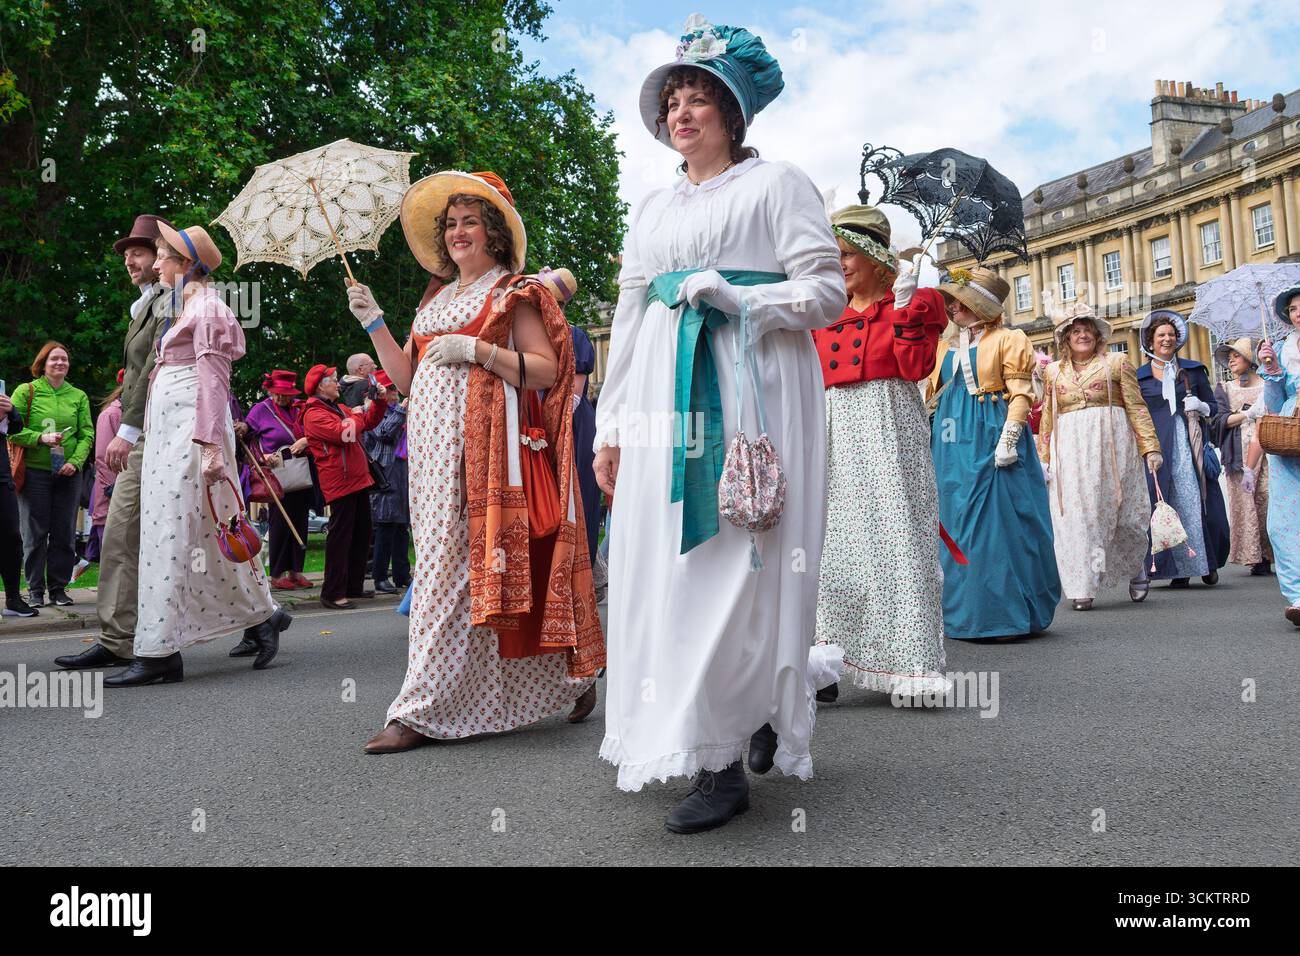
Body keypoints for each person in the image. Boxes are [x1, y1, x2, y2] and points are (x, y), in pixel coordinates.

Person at [593, 16, 845, 833]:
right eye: (673, 99)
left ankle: (733, 744)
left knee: (747, 561)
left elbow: (827, 294)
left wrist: (747, 300)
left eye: (699, 97)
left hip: (751, 387)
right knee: (674, 563)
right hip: (667, 398)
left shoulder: (779, 186)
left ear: (733, 112)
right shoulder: (651, 208)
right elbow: (629, 318)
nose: (682, 111)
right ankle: (716, 737)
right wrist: (611, 425)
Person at [346, 168, 603, 754]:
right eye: (452, 223)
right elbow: (408, 379)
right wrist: (375, 323)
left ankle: (415, 709)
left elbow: (546, 370)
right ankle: (570, 679)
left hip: (490, 449)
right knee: (456, 566)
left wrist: (480, 350)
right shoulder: (436, 296)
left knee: (447, 570)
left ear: (494, 233)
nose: (459, 232)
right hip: (431, 450)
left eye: (471, 222)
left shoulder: (515, 292)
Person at [104, 224, 290, 687]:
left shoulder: (209, 309)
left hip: (191, 434)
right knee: (204, 529)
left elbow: (212, 382)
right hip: (172, 434)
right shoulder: (185, 306)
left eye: (164, 256)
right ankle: (262, 616)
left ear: (186, 265)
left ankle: (159, 651)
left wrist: (209, 447)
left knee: (173, 532)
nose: (158, 262)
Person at [812, 204, 948, 691]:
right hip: (831, 429)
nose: (840, 264)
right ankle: (827, 660)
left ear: (874, 258)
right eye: (835, 255)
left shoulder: (913, 303)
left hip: (889, 426)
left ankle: (909, 662)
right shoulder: (822, 312)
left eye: (847, 254)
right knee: (832, 542)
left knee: (896, 536)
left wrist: (908, 312)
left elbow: (915, 370)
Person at [57, 214, 172, 669]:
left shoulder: (171, 300)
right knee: (128, 536)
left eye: (139, 252)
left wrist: (127, 429)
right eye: (126, 255)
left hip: (158, 434)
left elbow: (151, 370)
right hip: (149, 434)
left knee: (179, 534)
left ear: (162, 256)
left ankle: (259, 615)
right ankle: (117, 638)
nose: (130, 260)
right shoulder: (144, 305)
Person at [926, 266, 1060, 640]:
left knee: (997, 524)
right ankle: (964, 613)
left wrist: (1010, 437)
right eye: (952, 302)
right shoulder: (945, 346)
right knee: (956, 520)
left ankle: (1002, 613)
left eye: (961, 302)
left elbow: (1021, 393)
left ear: (980, 305)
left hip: (991, 432)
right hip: (951, 442)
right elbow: (930, 394)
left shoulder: (1009, 338)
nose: (954, 308)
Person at [1037, 304, 1162, 609]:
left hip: (1112, 446)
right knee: (1076, 518)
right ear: (1066, 338)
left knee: (1123, 515)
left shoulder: (1117, 363)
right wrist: (1043, 458)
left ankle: (1136, 567)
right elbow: (1047, 418)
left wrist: (1150, 447)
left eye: (1087, 330)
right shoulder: (1052, 372)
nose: (1082, 335)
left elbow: (1136, 407)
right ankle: (1082, 583)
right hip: (1069, 449)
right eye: (1075, 331)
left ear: (1096, 335)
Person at [1136, 309, 1231, 588]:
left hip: (1190, 444)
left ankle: (1206, 562)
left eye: (1171, 335)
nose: (1167, 339)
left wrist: (1200, 406)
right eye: (1160, 335)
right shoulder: (1138, 376)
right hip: (1157, 447)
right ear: (1150, 342)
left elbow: (1213, 408)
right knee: (1165, 502)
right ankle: (1176, 568)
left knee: (1198, 501)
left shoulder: (1192, 371)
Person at [9, 342, 93, 609]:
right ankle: (35, 590)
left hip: (68, 474)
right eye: (54, 359)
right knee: (35, 533)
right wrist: (40, 438)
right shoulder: (27, 391)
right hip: (35, 473)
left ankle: (58, 588)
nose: (60, 363)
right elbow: (10, 429)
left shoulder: (78, 395)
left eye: (64, 359)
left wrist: (75, 462)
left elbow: (86, 434)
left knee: (64, 534)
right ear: (43, 363)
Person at [302, 363, 388, 609]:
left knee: (362, 533)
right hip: (340, 481)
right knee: (341, 537)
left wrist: (379, 403)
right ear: (321, 386)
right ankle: (332, 593)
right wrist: (359, 413)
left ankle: (352, 586)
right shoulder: (314, 414)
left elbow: (367, 423)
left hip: (356, 478)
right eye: (334, 380)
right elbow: (346, 433)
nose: (338, 384)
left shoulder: (337, 408)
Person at [537, 266, 602, 561]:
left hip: (570, 423)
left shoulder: (573, 335)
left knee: (576, 493)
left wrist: (546, 421)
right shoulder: (535, 336)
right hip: (541, 421)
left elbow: (573, 395)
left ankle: (581, 568)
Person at [243, 369, 313, 591]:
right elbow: (247, 441)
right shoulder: (260, 411)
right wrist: (261, 458)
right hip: (277, 473)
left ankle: (296, 572)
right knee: (280, 523)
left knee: (301, 520)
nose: (281, 398)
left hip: (301, 470)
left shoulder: (300, 408)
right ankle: (276, 574)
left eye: (286, 394)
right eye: (277, 393)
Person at [1209, 338, 1272, 576]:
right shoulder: (1225, 388)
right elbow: (1218, 421)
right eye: (1230, 357)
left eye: (1237, 355)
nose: (1232, 360)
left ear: (1250, 358)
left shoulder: (1268, 385)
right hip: (1238, 453)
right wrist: (1247, 414)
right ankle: (1255, 557)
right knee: (1245, 504)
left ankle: (1270, 553)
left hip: (1267, 450)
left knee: (1266, 499)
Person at [1259, 283, 1300, 626]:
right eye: (1294, 309)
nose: (1299, 312)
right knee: (1282, 523)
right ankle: (1299, 596)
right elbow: (1272, 405)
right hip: (1289, 435)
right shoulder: (1281, 349)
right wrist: (1271, 371)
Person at [361, 370, 410, 595]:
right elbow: (383, 433)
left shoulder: (395, 410)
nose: (395, 393)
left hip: (401, 472)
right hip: (385, 474)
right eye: (391, 390)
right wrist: (401, 410)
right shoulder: (372, 410)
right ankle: (380, 576)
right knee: (385, 527)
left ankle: (402, 574)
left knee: (401, 527)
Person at [1, 386, 36, 617]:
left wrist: (11, 410)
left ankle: (13, 599)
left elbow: (15, 428)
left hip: (2, 476)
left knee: (11, 537)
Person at [86, 371, 125, 571]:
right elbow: (103, 459)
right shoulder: (111, 415)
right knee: (113, 554)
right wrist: (115, 490)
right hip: (112, 495)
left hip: (131, 494)